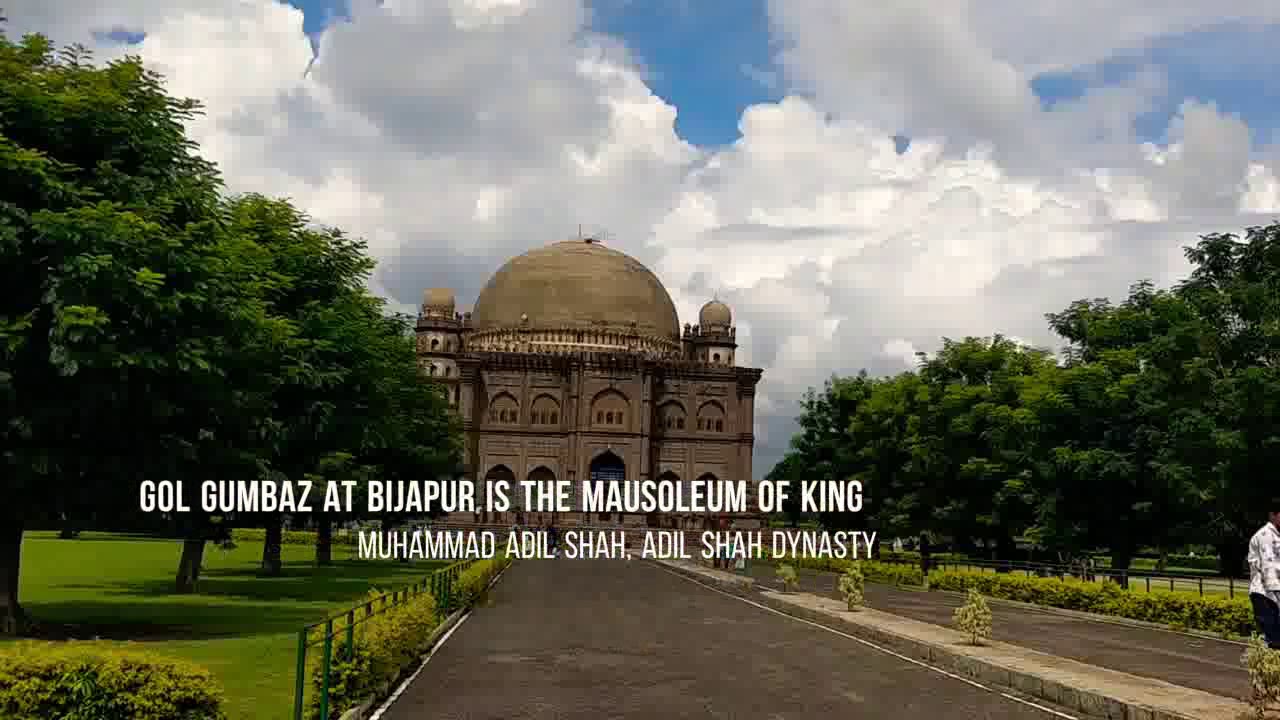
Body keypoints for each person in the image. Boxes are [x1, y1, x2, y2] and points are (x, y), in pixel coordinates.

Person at [1248, 503, 1280, 649]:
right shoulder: (1265, 536)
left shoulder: (1277, 535)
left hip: (1273, 594)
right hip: (1265, 594)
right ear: (1273, 515)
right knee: (1274, 640)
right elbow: (1269, 567)